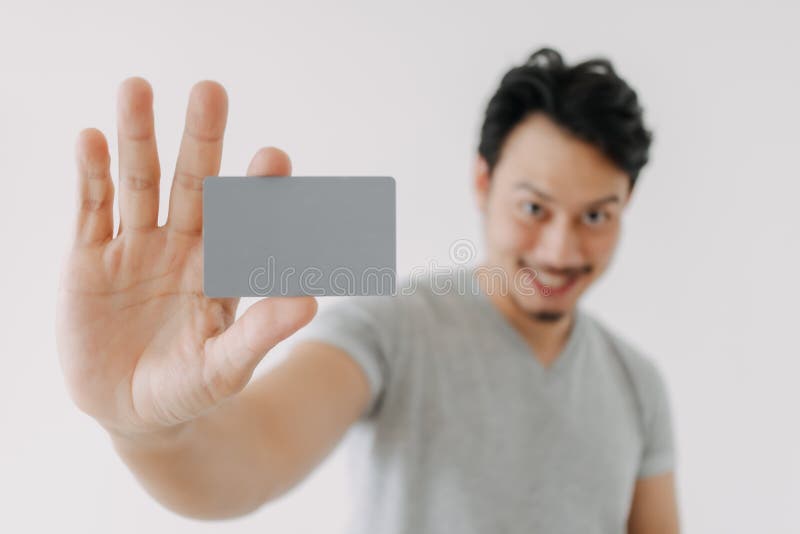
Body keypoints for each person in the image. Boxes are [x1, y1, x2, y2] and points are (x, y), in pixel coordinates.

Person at [56, 46, 680, 533]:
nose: (561, 251)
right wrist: (144, 430)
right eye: (534, 207)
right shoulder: (392, 326)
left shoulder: (637, 382)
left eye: (596, 215)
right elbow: (253, 456)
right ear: (483, 183)